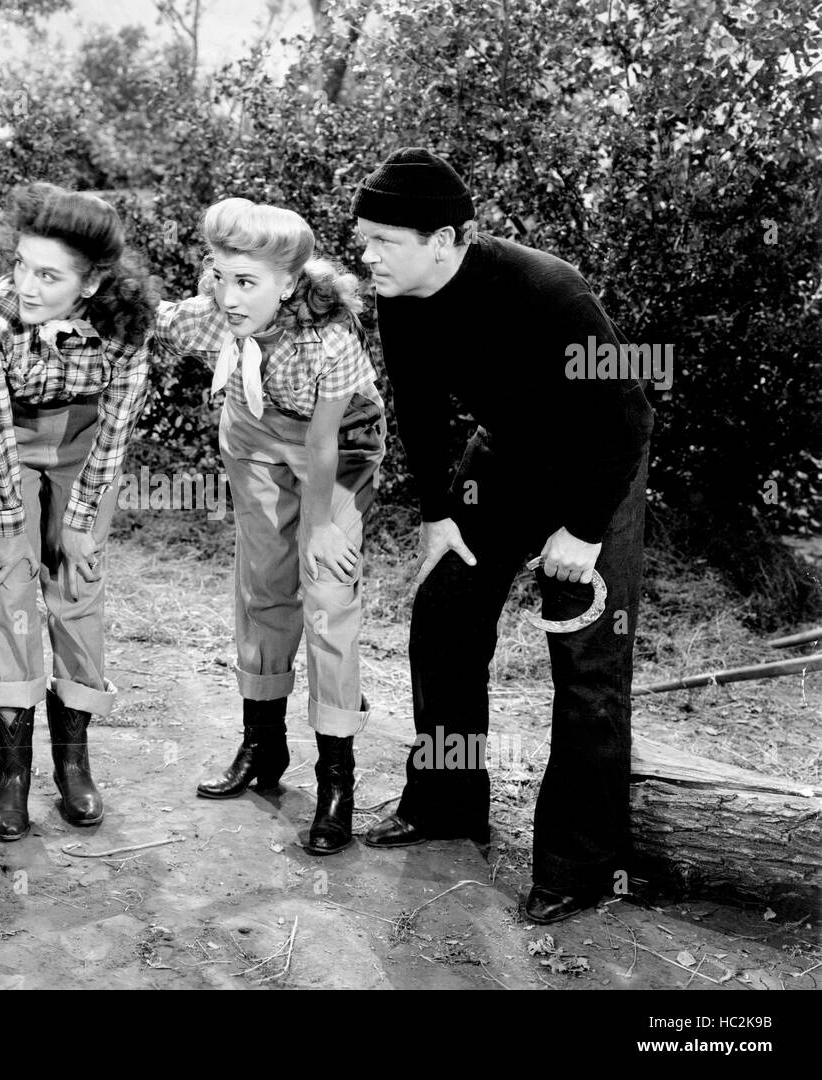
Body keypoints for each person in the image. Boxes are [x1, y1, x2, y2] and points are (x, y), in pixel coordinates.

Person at [353, 147, 653, 922]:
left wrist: (583, 531)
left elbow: (629, 414)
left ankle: (581, 866)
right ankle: (447, 803)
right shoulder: (402, 290)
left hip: (598, 468)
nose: (366, 253)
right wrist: (436, 514)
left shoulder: (547, 291)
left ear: (447, 239)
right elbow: (418, 406)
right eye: (364, 236)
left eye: (384, 239)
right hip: (508, 457)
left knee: (586, 662)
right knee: (445, 610)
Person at [150, 198, 387, 855]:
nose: (227, 296)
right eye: (218, 275)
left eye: (245, 282)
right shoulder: (214, 319)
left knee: (329, 591)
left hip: (339, 444)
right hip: (252, 434)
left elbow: (323, 445)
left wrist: (319, 528)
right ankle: (263, 748)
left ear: (289, 280)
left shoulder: (328, 339)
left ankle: (337, 777)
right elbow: (147, 319)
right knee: (262, 586)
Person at [0, 182, 156, 841]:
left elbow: (116, 430)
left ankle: (74, 766)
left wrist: (78, 519)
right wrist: (16, 530)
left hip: (82, 451)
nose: (28, 286)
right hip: (3, 453)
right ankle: (11, 777)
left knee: (77, 587)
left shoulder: (124, 326)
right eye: (21, 266)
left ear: (90, 283)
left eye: (49, 275)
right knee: (12, 590)